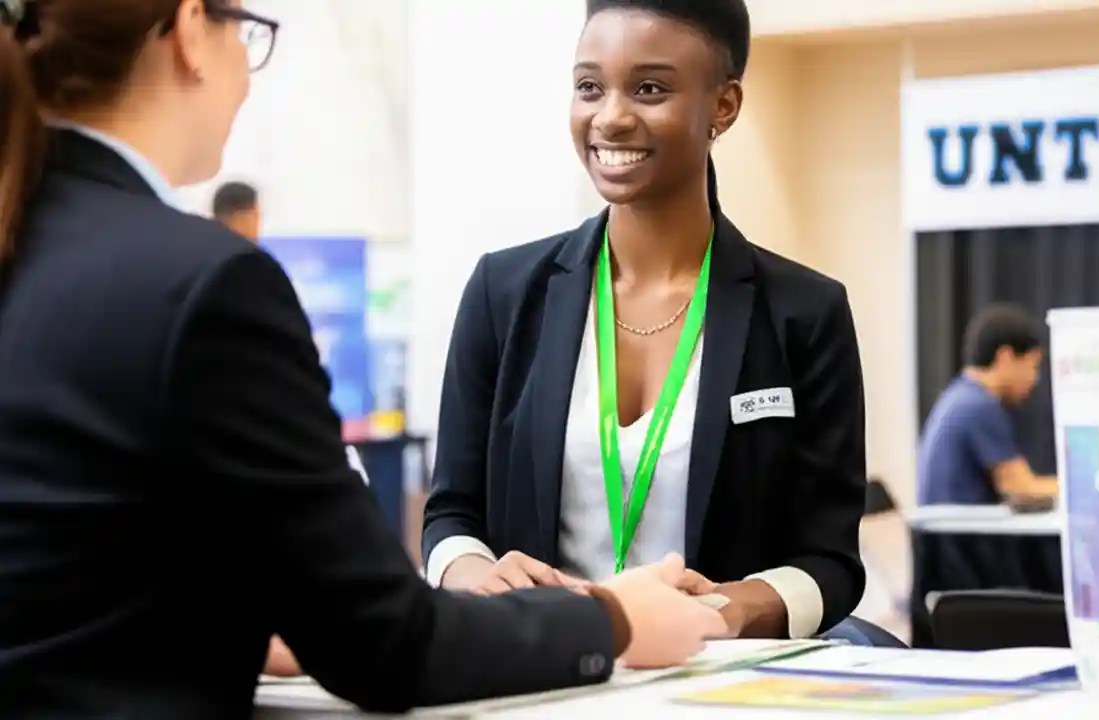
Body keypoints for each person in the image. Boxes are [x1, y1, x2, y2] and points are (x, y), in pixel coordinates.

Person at [0, 1, 725, 717]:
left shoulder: (36, 238)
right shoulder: (201, 283)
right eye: (247, 34)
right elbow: (389, 644)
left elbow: (74, 567)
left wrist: (243, 628)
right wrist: (612, 618)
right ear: (191, 29)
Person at [423, 0, 869, 643]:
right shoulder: (504, 292)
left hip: (715, 684)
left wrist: (733, 608)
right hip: (541, 668)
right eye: (588, 87)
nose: (610, 117)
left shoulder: (805, 312)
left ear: (724, 106)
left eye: (650, 88)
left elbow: (830, 559)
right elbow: (451, 512)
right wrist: (471, 571)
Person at [917, 304, 1059, 506]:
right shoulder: (978, 406)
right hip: (958, 534)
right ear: (1006, 357)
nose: (1035, 379)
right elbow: (1023, 489)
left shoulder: (960, 396)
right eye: (1033, 365)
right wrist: (1079, 487)